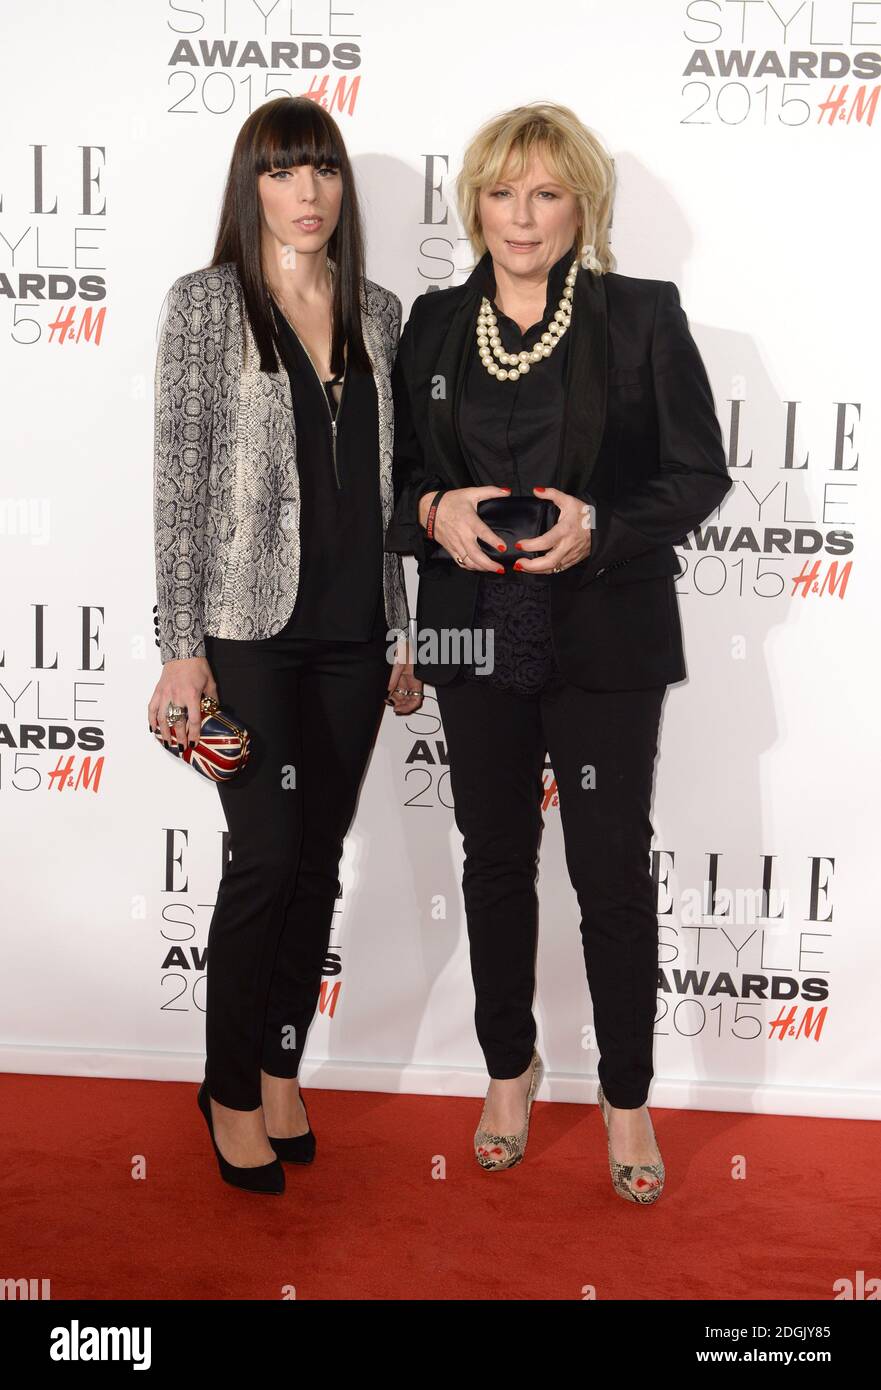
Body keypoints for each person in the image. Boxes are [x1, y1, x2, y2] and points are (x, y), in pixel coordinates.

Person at [385, 101, 732, 1203]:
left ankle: (623, 1093)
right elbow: (384, 488)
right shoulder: (433, 323)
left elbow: (696, 472)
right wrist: (432, 505)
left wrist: (606, 527)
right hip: (463, 625)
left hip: (601, 629)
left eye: (543, 193)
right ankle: (507, 1068)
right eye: (499, 191)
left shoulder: (637, 314)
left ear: (582, 204)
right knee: (492, 860)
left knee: (606, 868)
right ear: (472, 200)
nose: (519, 217)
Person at [148, 97, 421, 1195]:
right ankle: (223, 1085)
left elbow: (395, 490)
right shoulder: (207, 307)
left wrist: (405, 631)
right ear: (249, 185)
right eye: (281, 171)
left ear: (341, 188)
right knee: (264, 855)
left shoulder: (381, 312)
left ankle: (278, 1060)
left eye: (321, 172)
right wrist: (179, 644)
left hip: (356, 633)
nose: (304, 194)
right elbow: (177, 485)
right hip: (249, 628)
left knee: (315, 859)